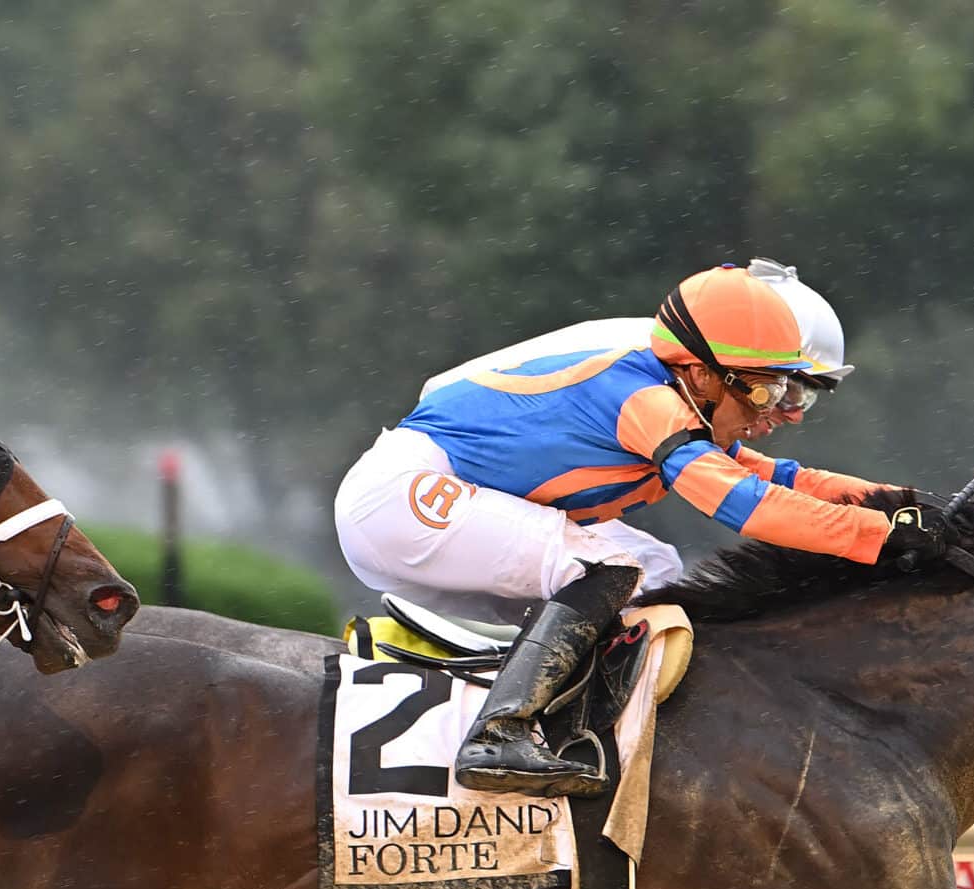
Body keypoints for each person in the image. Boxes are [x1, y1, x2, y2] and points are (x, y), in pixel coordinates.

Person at [334, 261, 941, 795]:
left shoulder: (673, 378)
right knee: (612, 570)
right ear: (704, 374)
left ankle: (568, 723)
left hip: (430, 497)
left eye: (793, 394)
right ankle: (498, 734)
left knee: (656, 571)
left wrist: (897, 501)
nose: (776, 413)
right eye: (765, 390)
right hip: (401, 498)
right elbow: (746, 506)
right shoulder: (647, 399)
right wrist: (879, 538)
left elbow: (779, 477)